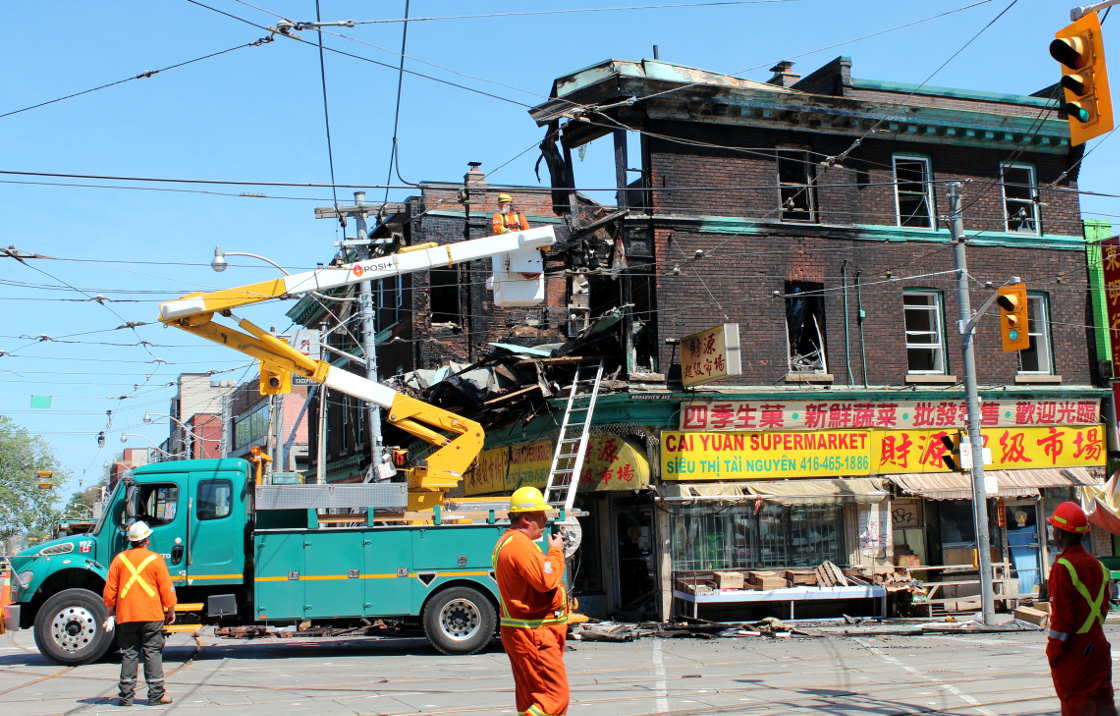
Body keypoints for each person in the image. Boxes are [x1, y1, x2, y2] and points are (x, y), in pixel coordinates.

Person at [492, 486, 569, 716]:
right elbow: (546, 580)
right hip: (534, 634)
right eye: (541, 515)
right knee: (554, 699)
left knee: (532, 698)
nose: (545, 520)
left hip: (526, 632)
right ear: (526, 518)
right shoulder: (519, 544)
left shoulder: (509, 542)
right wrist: (556, 552)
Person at [1046, 501, 1116, 716]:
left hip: (1075, 653)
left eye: (1054, 528)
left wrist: (1054, 652)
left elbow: (1062, 621)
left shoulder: (1063, 567)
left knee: (1077, 706)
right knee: (1104, 706)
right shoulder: (1098, 565)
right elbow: (1104, 607)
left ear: (1060, 533)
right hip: (1098, 646)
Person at [103, 521, 178, 707]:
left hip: (127, 615)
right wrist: (170, 609)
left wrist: (110, 610)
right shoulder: (155, 559)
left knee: (129, 653)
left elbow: (110, 590)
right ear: (147, 540)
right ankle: (156, 695)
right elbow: (166, 587)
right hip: (152, 614)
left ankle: (126, 696)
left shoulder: (119, 559)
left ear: (131, 540)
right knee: (153, 652)